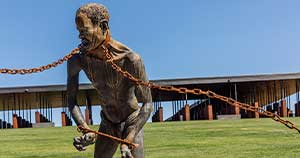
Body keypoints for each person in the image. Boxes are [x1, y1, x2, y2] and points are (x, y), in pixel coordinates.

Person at [67, 3, 153, 158]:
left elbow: (147, 105)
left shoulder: (130, 60)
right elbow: (71, 101)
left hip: (131, 122)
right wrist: (86, 129)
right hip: (107, 123)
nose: (80, 36)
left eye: (84, 30)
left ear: (103, 26)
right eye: (78, 31)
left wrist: (128, 139)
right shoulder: (78, 60)